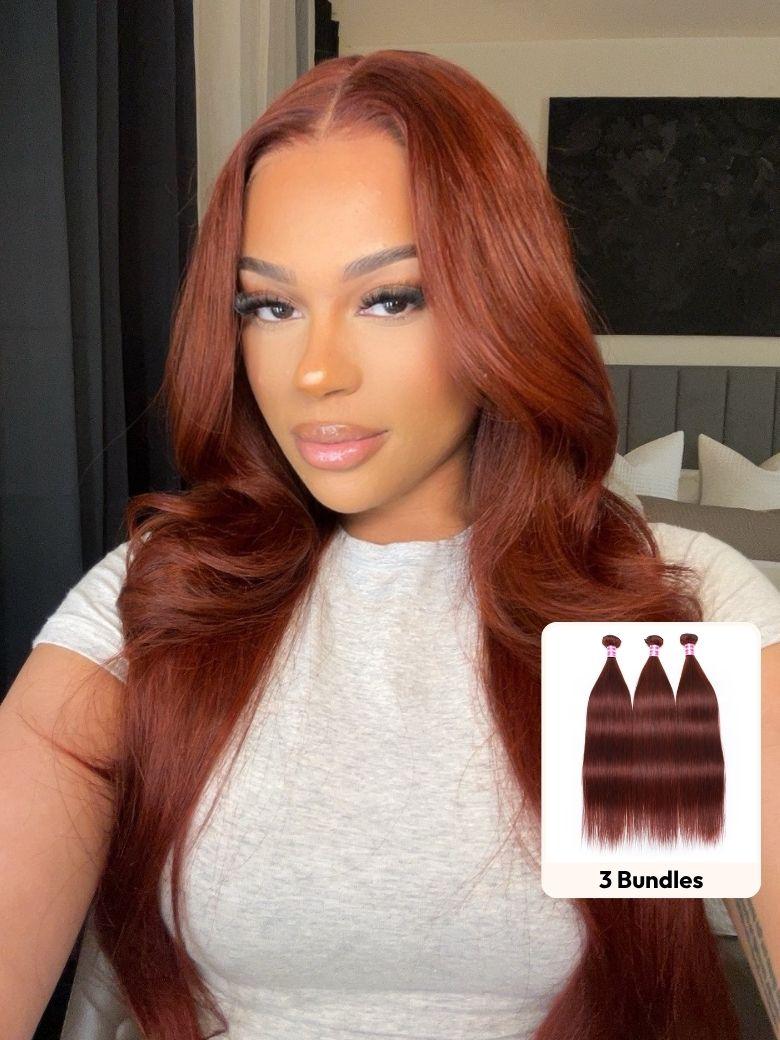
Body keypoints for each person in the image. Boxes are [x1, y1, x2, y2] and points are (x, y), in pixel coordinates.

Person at [3, 49, 779, 1040]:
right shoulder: (168, 597)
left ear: (501, 302)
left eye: (390, 297)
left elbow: (647, 960)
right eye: (270, 305)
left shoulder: (643, 610)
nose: (316, 370)